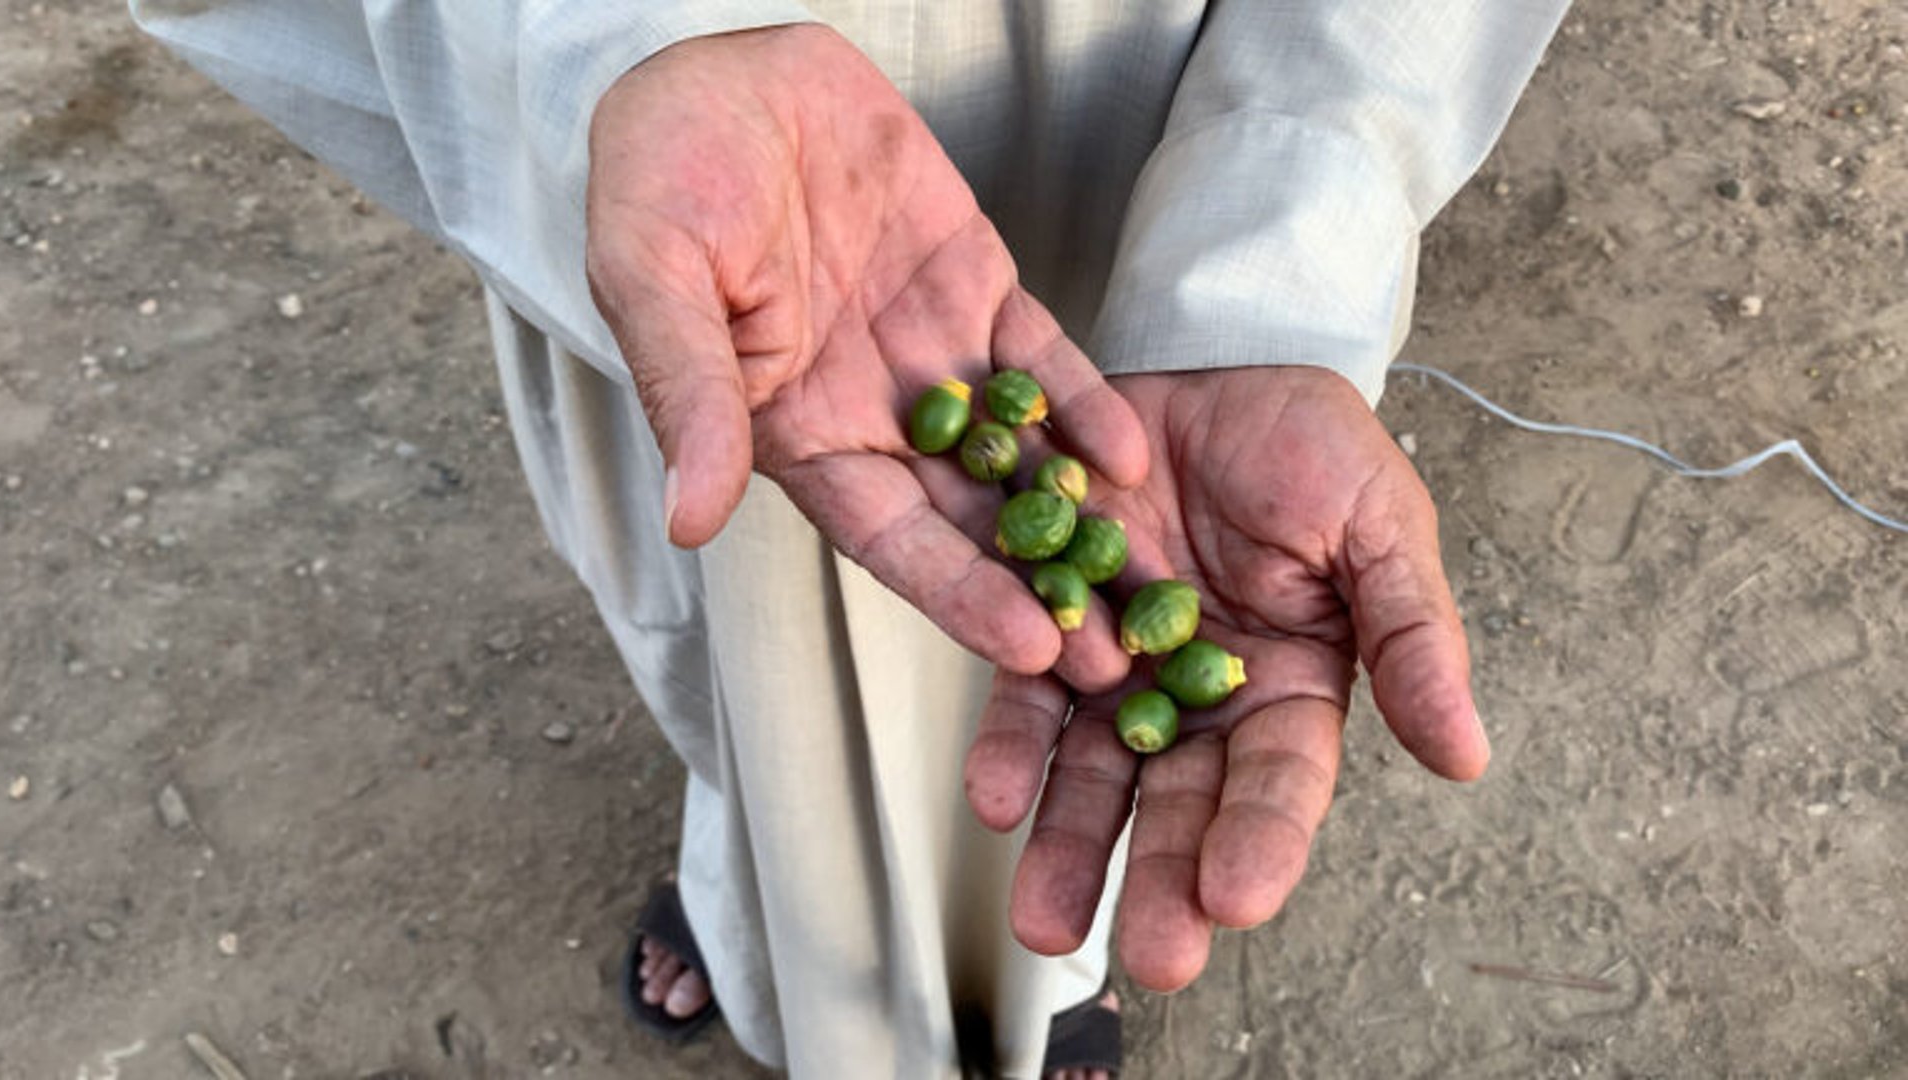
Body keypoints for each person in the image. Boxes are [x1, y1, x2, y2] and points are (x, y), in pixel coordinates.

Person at [130, 2, 1570, 1076]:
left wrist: (1276, 245)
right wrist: (607, 49)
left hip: (1117, 100)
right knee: (719, 603)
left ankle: (1043, 984)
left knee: (1057, 683)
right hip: (698, 164)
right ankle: (742, 885)